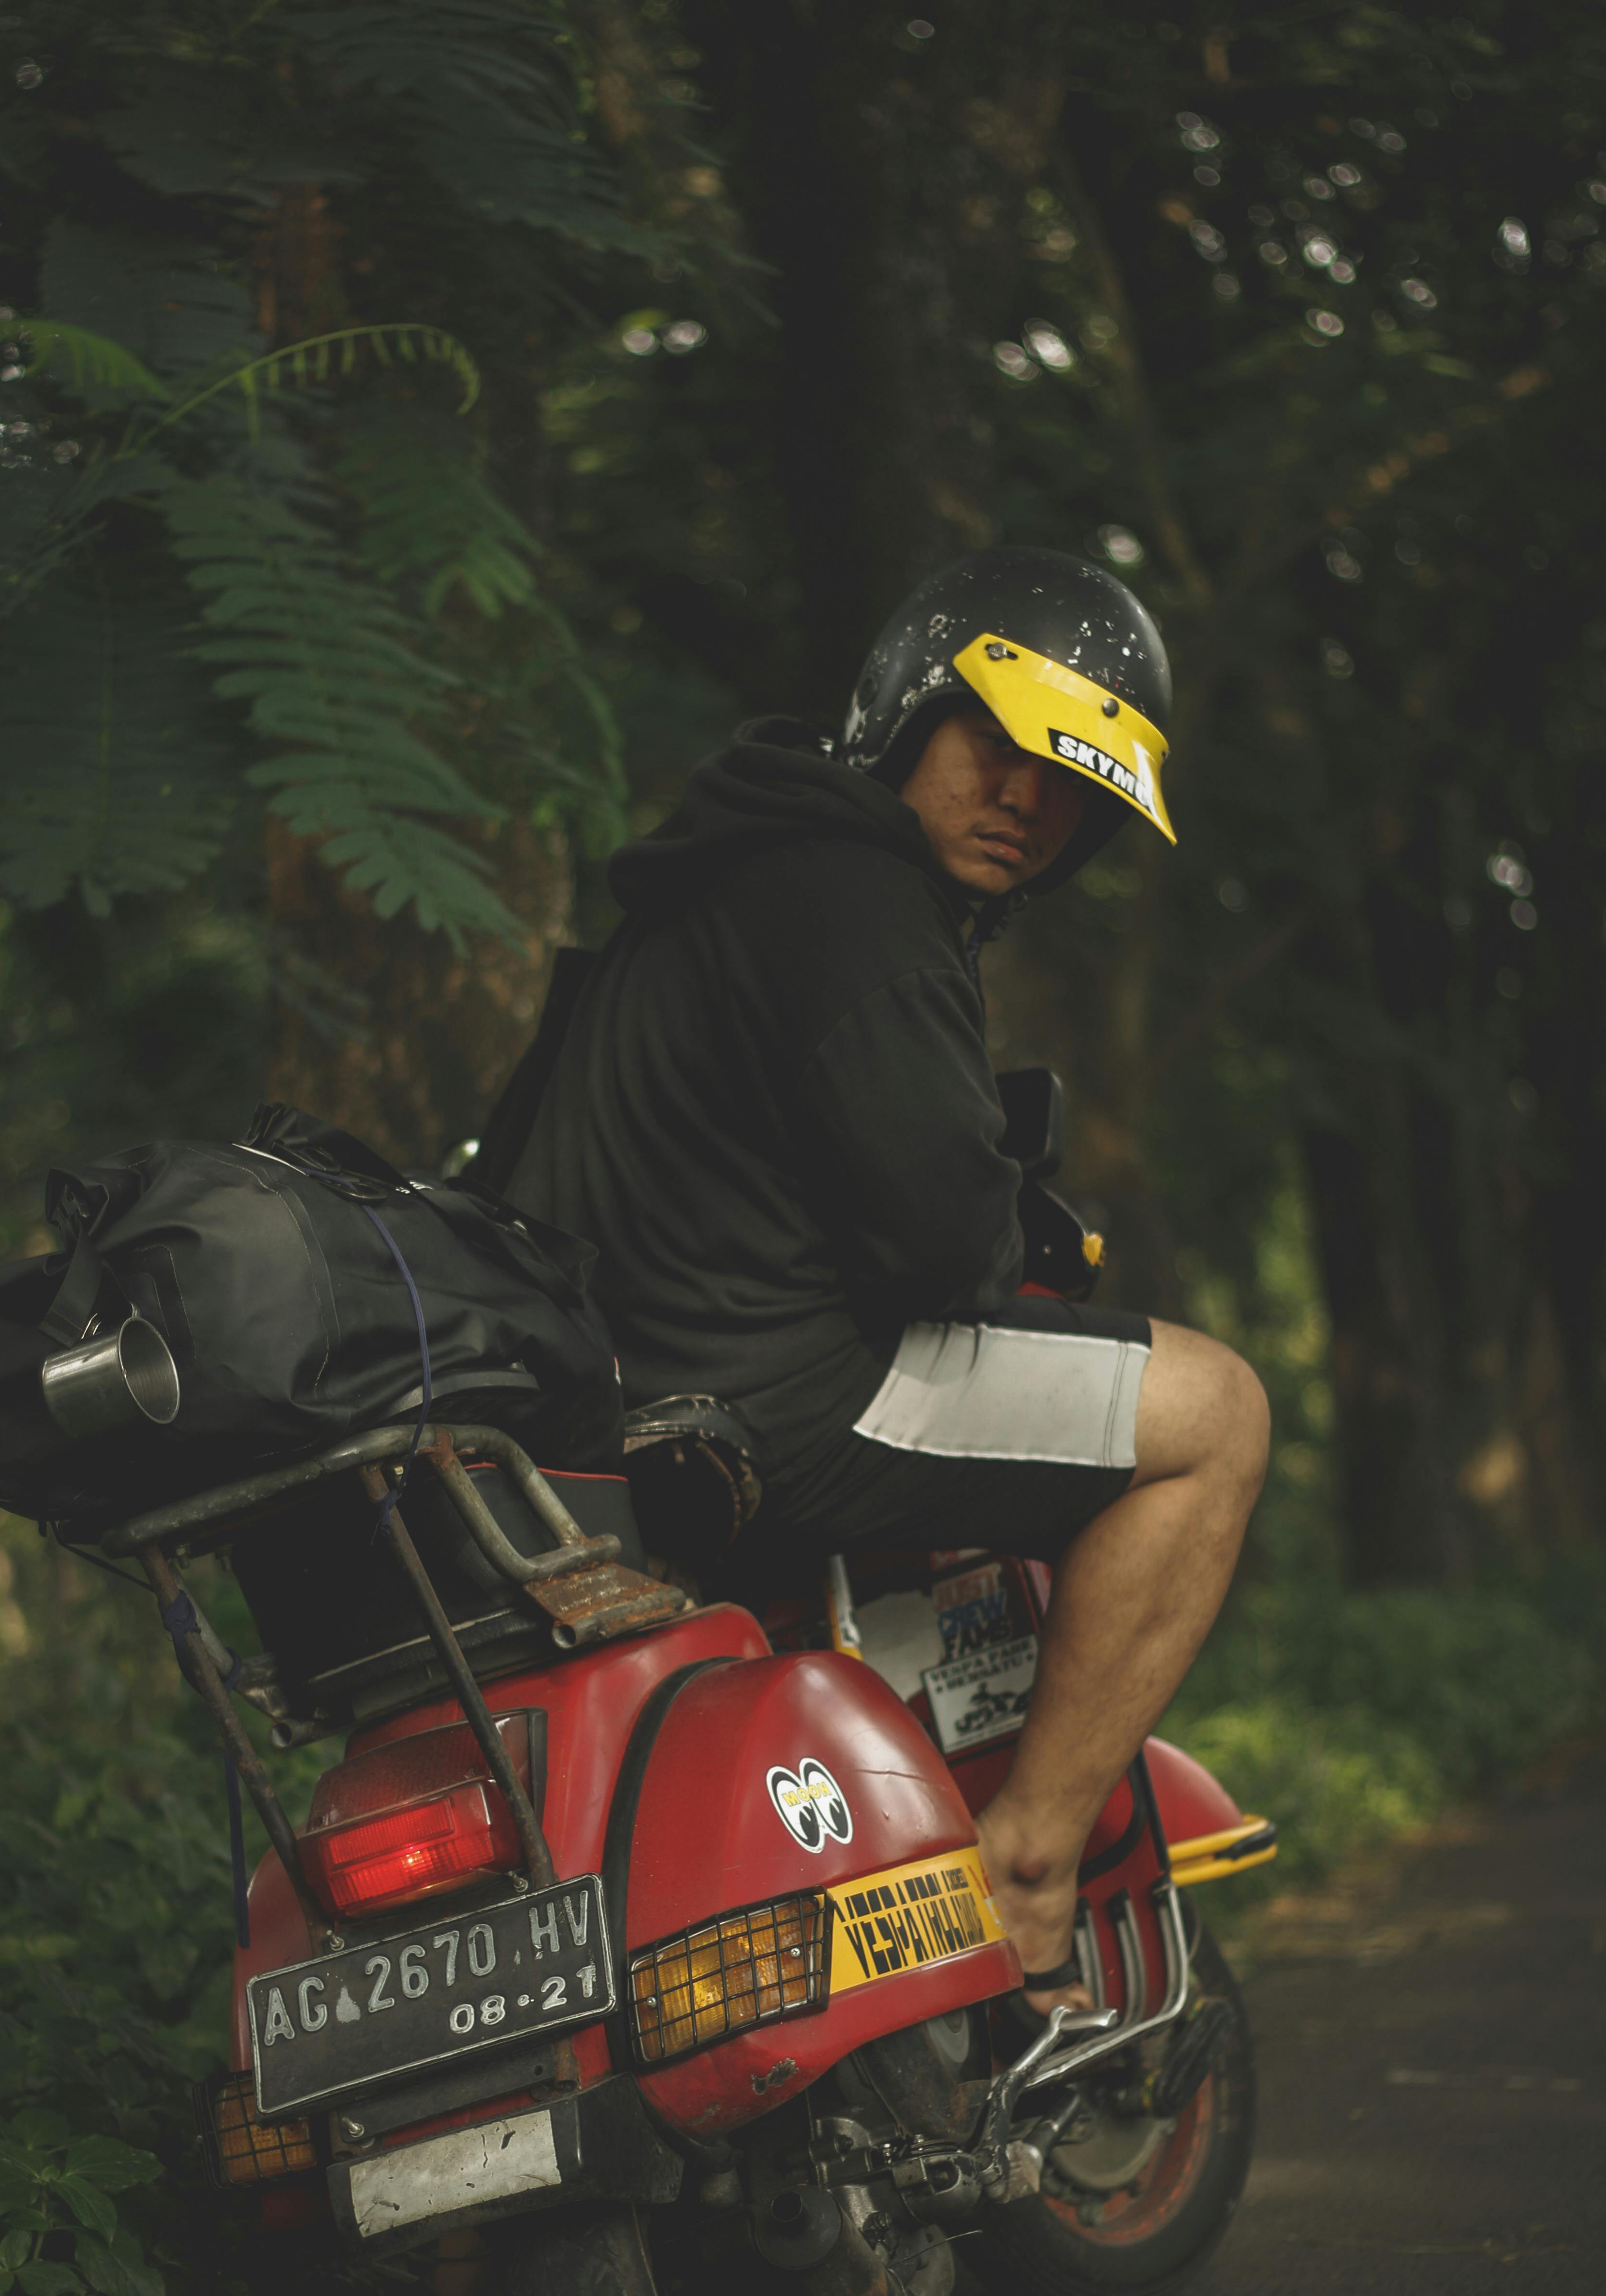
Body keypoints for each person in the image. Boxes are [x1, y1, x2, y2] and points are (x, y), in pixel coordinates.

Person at [499, 546, 1269, 2016]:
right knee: (1219, 1412)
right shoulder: (864, 901)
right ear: (912, 705)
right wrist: (1011, 1227)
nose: (1031, 804)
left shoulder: (727, 862)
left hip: (602, 1402)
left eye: (1074, 786)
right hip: (777, 1398)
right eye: (999, 745)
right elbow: (941, 1247)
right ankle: (1031, 1866)